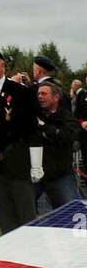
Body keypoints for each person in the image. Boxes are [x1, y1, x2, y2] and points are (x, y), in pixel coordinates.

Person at [0, 45, 42, 234]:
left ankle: (30, 261)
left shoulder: (21, 92)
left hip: (17, 163)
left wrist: (36, 164)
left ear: (3, 66)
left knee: (26, 218)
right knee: (4, 218)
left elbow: (32, 130)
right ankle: (11, 259)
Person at [34, 80, 78, 208]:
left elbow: (68, 137)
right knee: (22, 207)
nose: (40, 97)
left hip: (60, 174)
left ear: (56, 97)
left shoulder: (66, 117)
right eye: (39, 94)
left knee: (72, 211)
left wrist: (45, 127)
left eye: (44, 94)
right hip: (35, 173)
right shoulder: (35, 115)